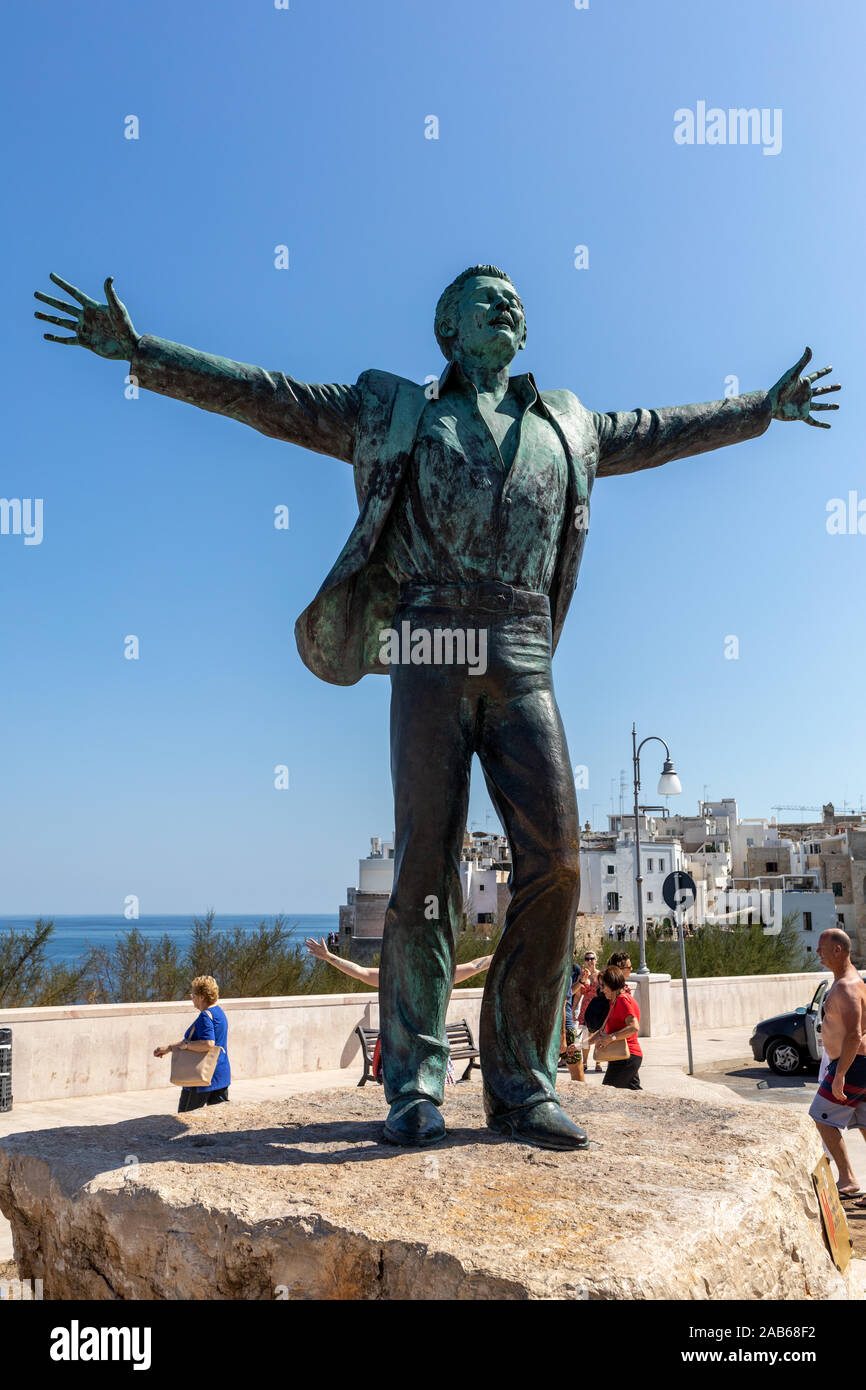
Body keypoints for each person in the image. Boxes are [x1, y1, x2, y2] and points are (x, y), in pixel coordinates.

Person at [36, 264, 837, 1153]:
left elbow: (660, 431)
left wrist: (761, 410)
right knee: (424, 873)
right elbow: (268, 397)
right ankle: (414, 1088)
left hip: (523, 650)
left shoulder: (567, 423)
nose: (507, 303)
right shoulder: (395, 409)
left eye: (514, 298)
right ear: (446, 329)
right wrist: (146, 353)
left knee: (560, 863)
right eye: (482, 296)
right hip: (427, 644)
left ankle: (523, 1085)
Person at [808, 929, 866, 1200]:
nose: (817, 952)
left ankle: (848, 1179)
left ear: (838, 951)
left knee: (821, 1115)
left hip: (851, 1064)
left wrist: (840, 1073)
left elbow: (855, 1033)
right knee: (863, 1124)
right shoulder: (848, 981)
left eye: (822, 948)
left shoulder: (847, 986)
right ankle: (849, 1179)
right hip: (856, 1063)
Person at [154, 975, 231, 1113]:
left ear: (201, 997)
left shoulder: (205, 1016)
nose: (192, 998)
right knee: (219, 1121)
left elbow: (208, 1043)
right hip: (220, 1075)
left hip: (200, 1078)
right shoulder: (219, 1012)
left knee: (185, 1116)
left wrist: (187, 1046)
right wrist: (169, 1048)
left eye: (193, 994)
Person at [305, 937, 492, 987]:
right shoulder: (396, 979)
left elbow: (477, 965)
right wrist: (329, 957)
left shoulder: (437, 978)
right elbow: (360, 971)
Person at [587, 965, 642, 1090]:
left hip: (626, 1057)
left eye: (603, 986)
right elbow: (601, 1033)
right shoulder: (614, 1002)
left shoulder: (622, 1000)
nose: (601, 990)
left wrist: (611, 1038)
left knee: (607, 1093)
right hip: (624, 1056)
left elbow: (634, 1027)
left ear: (612, 984)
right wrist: (580, 1046)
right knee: (635, 1096)